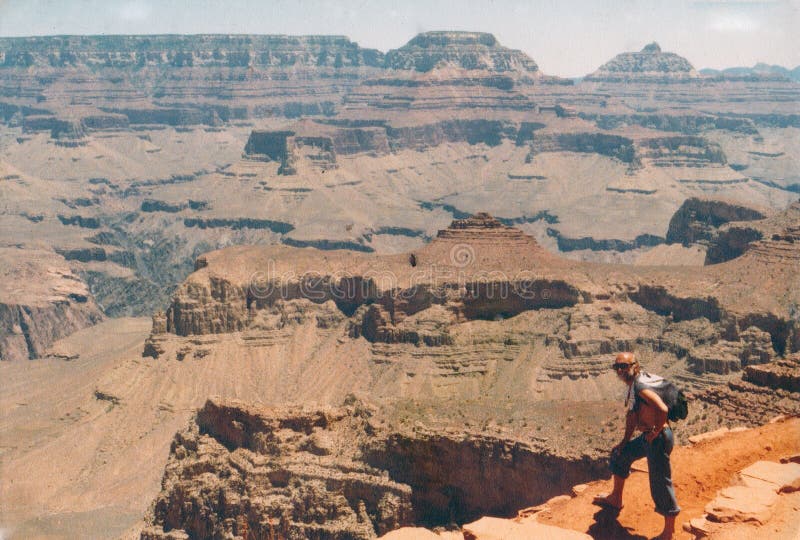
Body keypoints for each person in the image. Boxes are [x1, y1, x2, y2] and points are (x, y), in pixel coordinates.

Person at [593, 352, 680, 540]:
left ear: (634, 366)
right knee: (620, 455)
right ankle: (615, 499)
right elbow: (632, 416)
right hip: (648, 438)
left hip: (657, 440)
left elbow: (662, 409)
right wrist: (624, 443)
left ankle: (668, 533)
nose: (620, 371)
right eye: (616, 367)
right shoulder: (634, 385)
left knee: (660, 484)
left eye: (624, 366)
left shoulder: (639, 385)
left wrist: (656, 431)